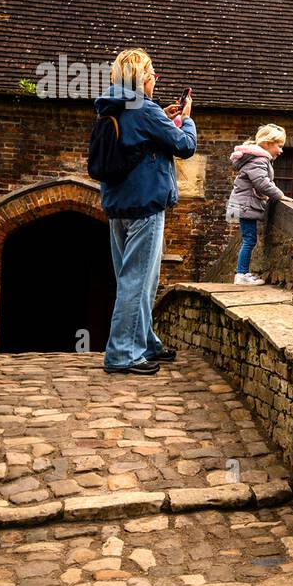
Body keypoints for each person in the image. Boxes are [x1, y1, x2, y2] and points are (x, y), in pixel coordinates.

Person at [95, 48, 197, 374]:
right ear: (140, 77)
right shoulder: (144, 109)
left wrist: (162, 118)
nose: (157, 78)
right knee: (136, 282)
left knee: (141, 280)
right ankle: (122, 355)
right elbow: (184, 145)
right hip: (145, 207)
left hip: (118, 207)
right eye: (153, 72)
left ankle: (146, 343)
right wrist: (187, 119)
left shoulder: (117, 106)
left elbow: (139, 141)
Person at [227, 124, 292, 285]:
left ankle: (243, 272)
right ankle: (241, 274)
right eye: (279, 146)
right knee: (249, 240)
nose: (281, 150)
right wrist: (280, 196)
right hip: (245, 205)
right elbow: (262, 183)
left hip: (244, 204)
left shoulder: (256, 159)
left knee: (248, 239)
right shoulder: (259, 159)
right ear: (268, 143)